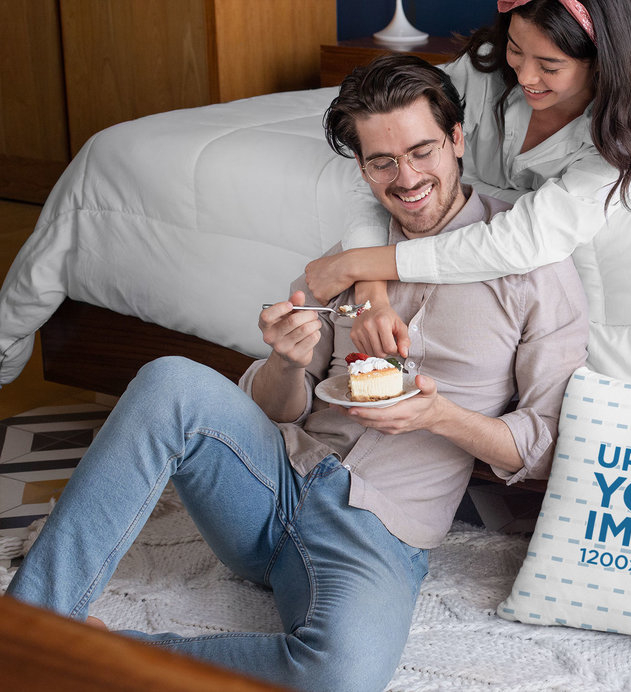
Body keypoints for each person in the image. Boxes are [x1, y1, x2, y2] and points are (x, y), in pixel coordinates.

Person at [4, 55, 589, 692]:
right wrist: (284, 359)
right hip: (268, 486)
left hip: (378, 531)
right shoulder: (345, 262)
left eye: (423, 151)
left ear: (456, 139)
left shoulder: (530, 268)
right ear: (362, 167)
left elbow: (542, 445)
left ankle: (96, 656)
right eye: (382, 161)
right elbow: (277, 407)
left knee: (340, 678)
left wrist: (438, 416)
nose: (408, 178)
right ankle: (32, 628)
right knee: (171, 379)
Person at [304, 0, 631, 360]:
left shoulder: (623, 135)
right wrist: (370, 289)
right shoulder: (479, 72)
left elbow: (523, 241)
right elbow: (375, 169)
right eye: (516, 50)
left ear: (600, 62)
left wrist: (356, 264)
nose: (525, 76)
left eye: (550, 67)